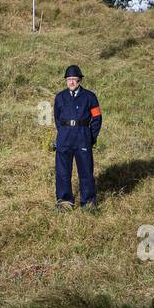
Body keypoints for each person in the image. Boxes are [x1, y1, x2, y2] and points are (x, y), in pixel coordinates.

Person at [54, 64, 102, 211]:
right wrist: (63, 133)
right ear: (66, 81)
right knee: (62, 172)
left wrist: (90, 137)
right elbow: (57, 118)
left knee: (86, 172)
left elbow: (97, 118)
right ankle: (64, 202)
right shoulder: (60, 97)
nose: (71, 82)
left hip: (83, 137)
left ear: (80, 80)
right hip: (64, 138)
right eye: (69, 79)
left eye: (74, 79)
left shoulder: (90, 97)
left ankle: (88, 202)